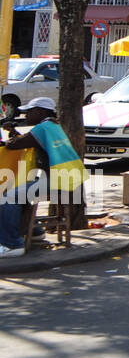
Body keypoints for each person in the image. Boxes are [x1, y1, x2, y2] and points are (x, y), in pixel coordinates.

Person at [0, 97, 87, 257]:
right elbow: (28, 141)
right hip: (68, 178)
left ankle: (12, 245)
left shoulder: (42, 128)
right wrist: (15, 132)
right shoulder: (53, 126)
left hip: (56, 181)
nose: (25, 116)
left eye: (29, 112)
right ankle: (36, 232)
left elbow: (14, 144)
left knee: (7, 198)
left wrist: (12, 134)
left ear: (40, 111)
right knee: (21, 193)